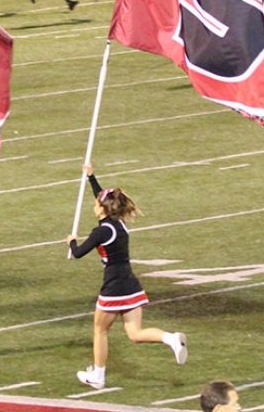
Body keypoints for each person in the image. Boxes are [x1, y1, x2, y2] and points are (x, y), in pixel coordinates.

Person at [68, 163, 187, 390]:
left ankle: (98, 376)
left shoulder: (101, 231)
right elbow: (102, 197)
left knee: (100, 330)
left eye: (96, 203)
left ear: (102, 208)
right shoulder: (119, 225)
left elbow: (78, 253)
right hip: (131, 284)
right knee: (135, 333)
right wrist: (92, 177)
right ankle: (171, 338)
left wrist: (71, 242)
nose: (94, 205)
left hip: (113, 287)